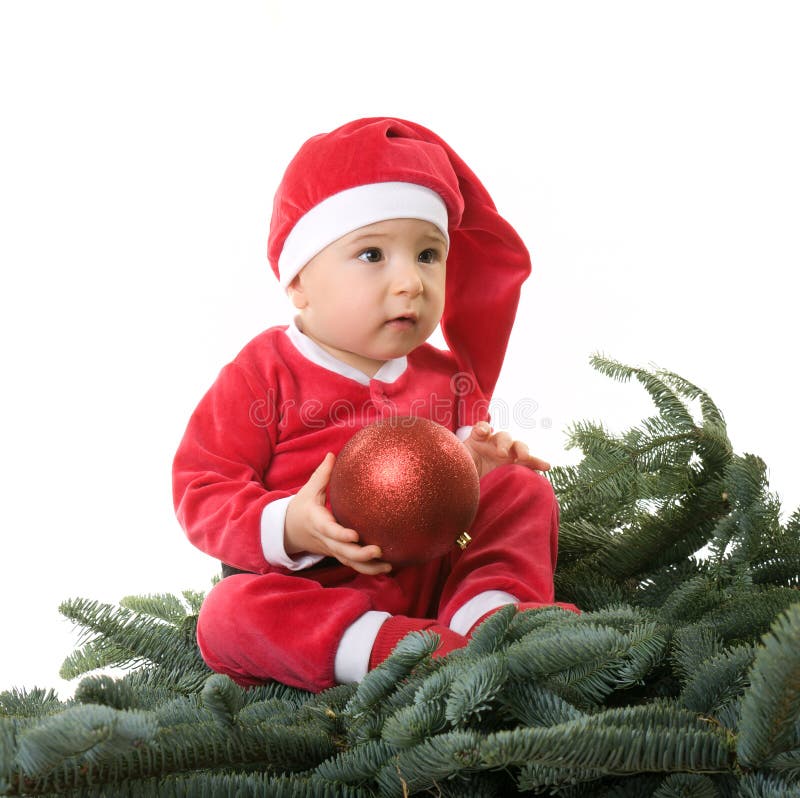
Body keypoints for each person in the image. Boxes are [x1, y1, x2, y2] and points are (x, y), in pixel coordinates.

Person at [172, 117, 578, 693]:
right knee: (229, 614)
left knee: (523, 488)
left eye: (428, 255)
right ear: (299, 282)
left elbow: (457, 496)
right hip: (319, 592)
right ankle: (392, 651)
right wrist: (291, 526)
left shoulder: (443, 376)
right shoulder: (263, 372)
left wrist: (472, 465)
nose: (411, 281)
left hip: (432, 571)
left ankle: (488, 619)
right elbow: (202, 486)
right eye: (371, 255)